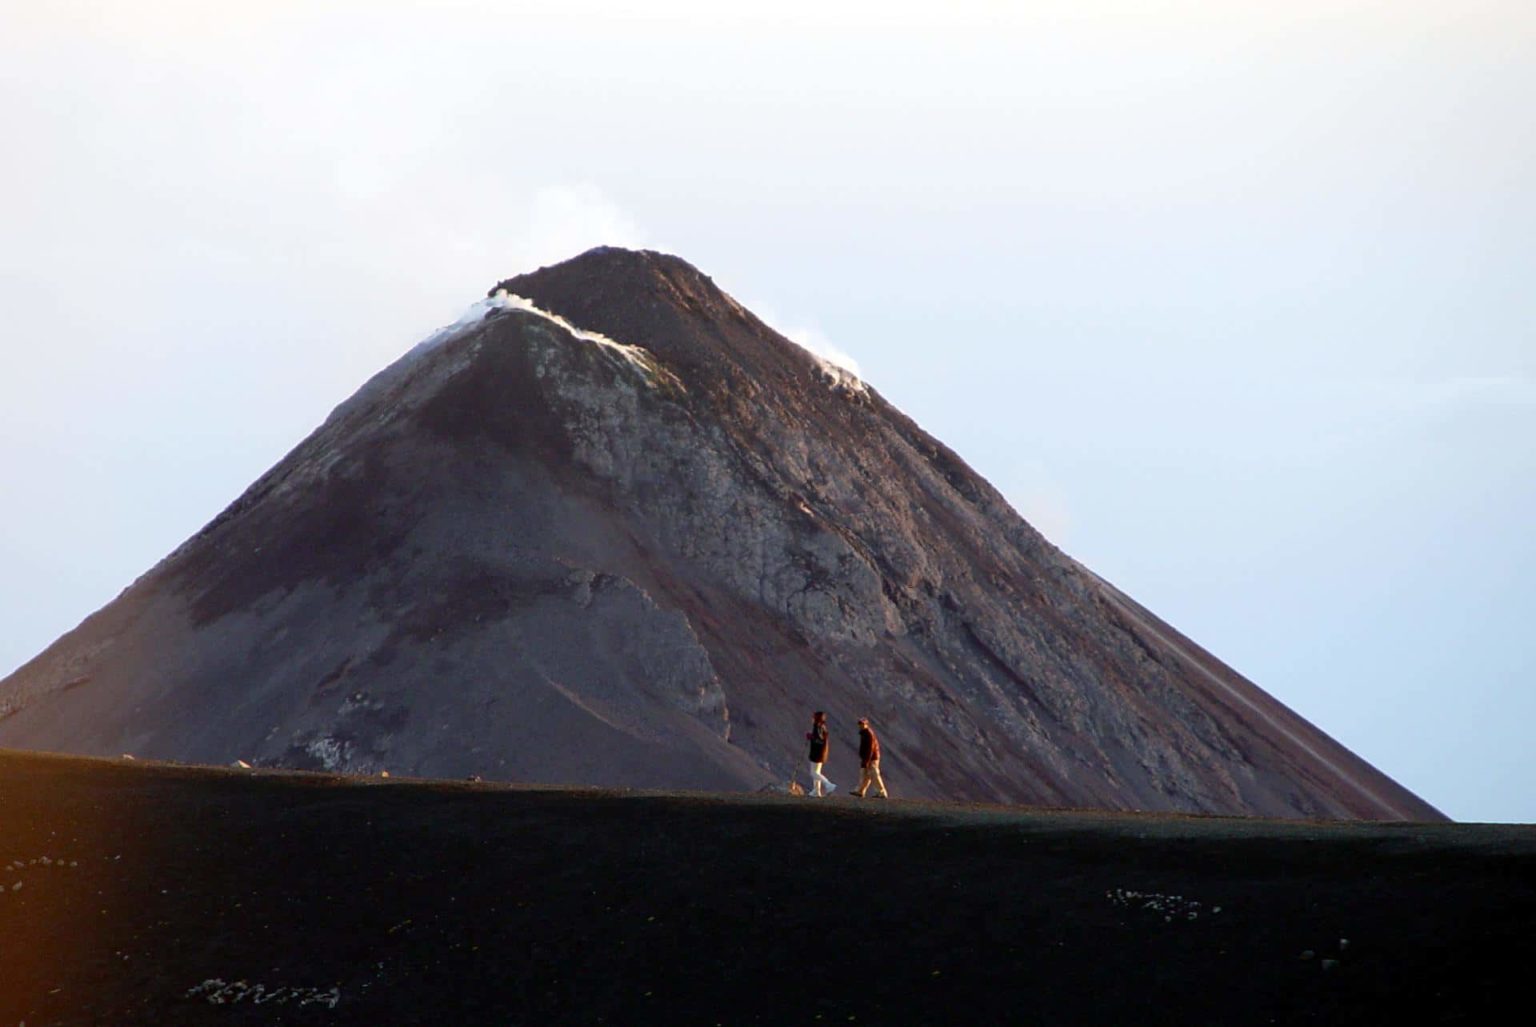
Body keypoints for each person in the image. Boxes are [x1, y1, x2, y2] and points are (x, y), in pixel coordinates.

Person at [853, 717, 888, 798]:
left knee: (874, 774)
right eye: (860, 724)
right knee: (866, 775)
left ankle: (882, 792)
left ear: (866, 725)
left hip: (872, 758)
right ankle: (860, 791)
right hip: (868, 757)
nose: (861, 726)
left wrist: (867, 760)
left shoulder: (868, 734)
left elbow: (870, 749)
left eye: (862, 724)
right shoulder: (864, 733)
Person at [805, 711, 837, 797]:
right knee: (817, 772)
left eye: (814, 717)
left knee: (813, 773)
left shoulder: (817, 727)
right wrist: (812, 737)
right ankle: (816, 791)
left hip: (817, 753)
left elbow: (819, 740)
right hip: (821, 753)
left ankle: (828, 785)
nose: (812, 719)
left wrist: (811, 737)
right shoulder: (822, 727)